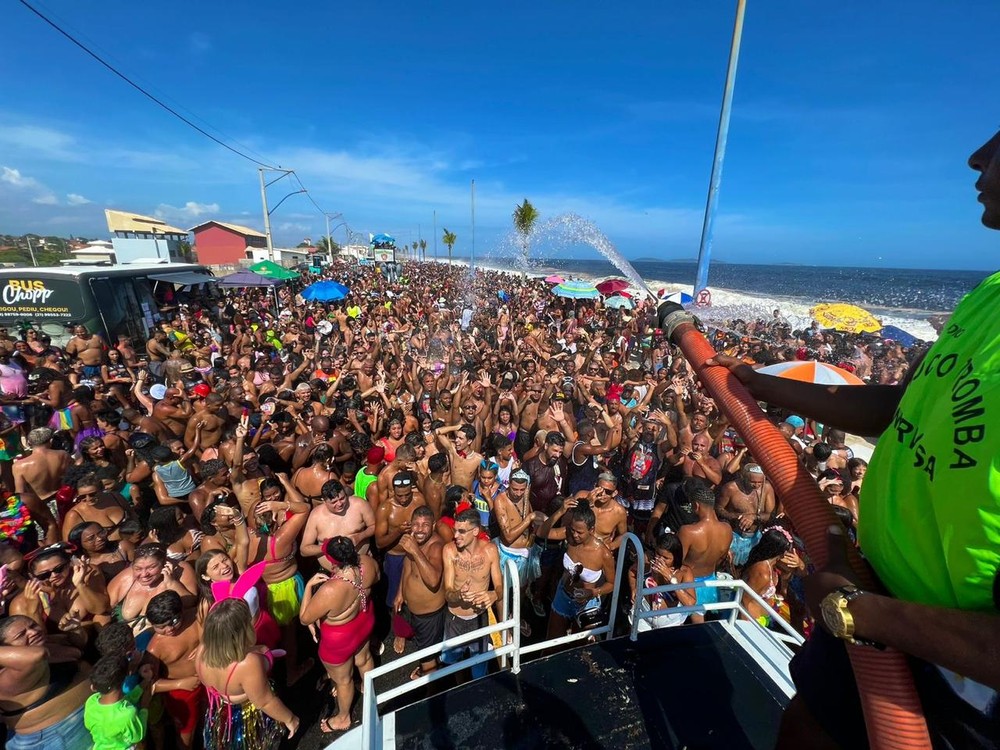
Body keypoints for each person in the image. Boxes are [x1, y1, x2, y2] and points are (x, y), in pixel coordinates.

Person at [709, 128, 1000, 750]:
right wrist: (762, 382)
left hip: (953, 672)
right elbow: (899, 406)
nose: (978, 156)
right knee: (803, 727)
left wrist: (858, 612)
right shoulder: (987, 296)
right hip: (868, 594)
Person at [299, 536, 378, 733]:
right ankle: (369, 689)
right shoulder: (367, 562)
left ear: (332, 561)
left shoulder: (330, 589)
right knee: (364, 657)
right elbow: (377, 578)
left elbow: (305, 618)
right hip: (363, 620)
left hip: (339, 639)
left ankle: (343, 718)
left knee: (343, 680)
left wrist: (308, 587)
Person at [195, 599, 298, 750]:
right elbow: (264, 702)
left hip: (222, 710)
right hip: (246, 714)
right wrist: (290, 719)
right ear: (242, 632)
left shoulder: (201, 652)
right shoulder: (248, 663)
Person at [0, 614, 92, 750]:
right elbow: (37, 656)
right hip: (59, 736)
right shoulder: (6, 680)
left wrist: (75, 630)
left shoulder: (46, 643)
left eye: (32, 625)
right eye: (20, 635)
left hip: (87, 716)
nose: (33, 632)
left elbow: (77, 647)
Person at [539, 500, 616, 638]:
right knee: (552, 643)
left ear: (591, 530)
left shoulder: (603, 554)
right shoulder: (569, 534)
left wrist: (592, 592)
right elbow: (541, 532)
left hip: (587, 604)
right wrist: (561, 511)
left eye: (580, 532)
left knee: (580, 647)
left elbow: (611, 584)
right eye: (573, 530)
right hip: (563, 596)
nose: (575, 535)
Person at [441, 508, 502, 679]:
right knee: (453, 666)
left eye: (461, 531)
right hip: (455, 619)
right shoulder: (449, 551)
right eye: (455, 530)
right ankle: (459, 690)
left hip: (479, 618)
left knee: (479, 668)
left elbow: (500, 587)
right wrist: (458, 595)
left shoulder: (490, 551)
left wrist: (494, 595)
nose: (456, 536)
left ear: (475, 531)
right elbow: (448, 592)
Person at [392, 505, 446, 680]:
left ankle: (431, 692)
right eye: (416, 524)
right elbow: (407, 568)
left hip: (429, 617)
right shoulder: (411, 540)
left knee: (428, 658)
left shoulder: (436, 547)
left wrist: (414, 549)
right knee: (423, 650)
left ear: (433, 526)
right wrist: (400, 592)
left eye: (425, 525)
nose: (420, 529)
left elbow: (433, 580)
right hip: (412, 610)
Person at [145, 590, 203, 750]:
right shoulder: (154, 649)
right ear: (152, 624)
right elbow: (149, 685)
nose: (169, 628)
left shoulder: (197, 617)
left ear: (182, 610)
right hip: (182, 695)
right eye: (161, 626)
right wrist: (180, 684)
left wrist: (205, 647)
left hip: (208, 680)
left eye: (174, 621)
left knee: (209, 719)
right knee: (185, 734)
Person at [83, 654, 152, 750]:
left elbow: (122, 702)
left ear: (94, 687)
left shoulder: (92, 701)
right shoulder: (127, 715)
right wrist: (145, 706)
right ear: (123, 680)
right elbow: (138, 736)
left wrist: (143, 684)